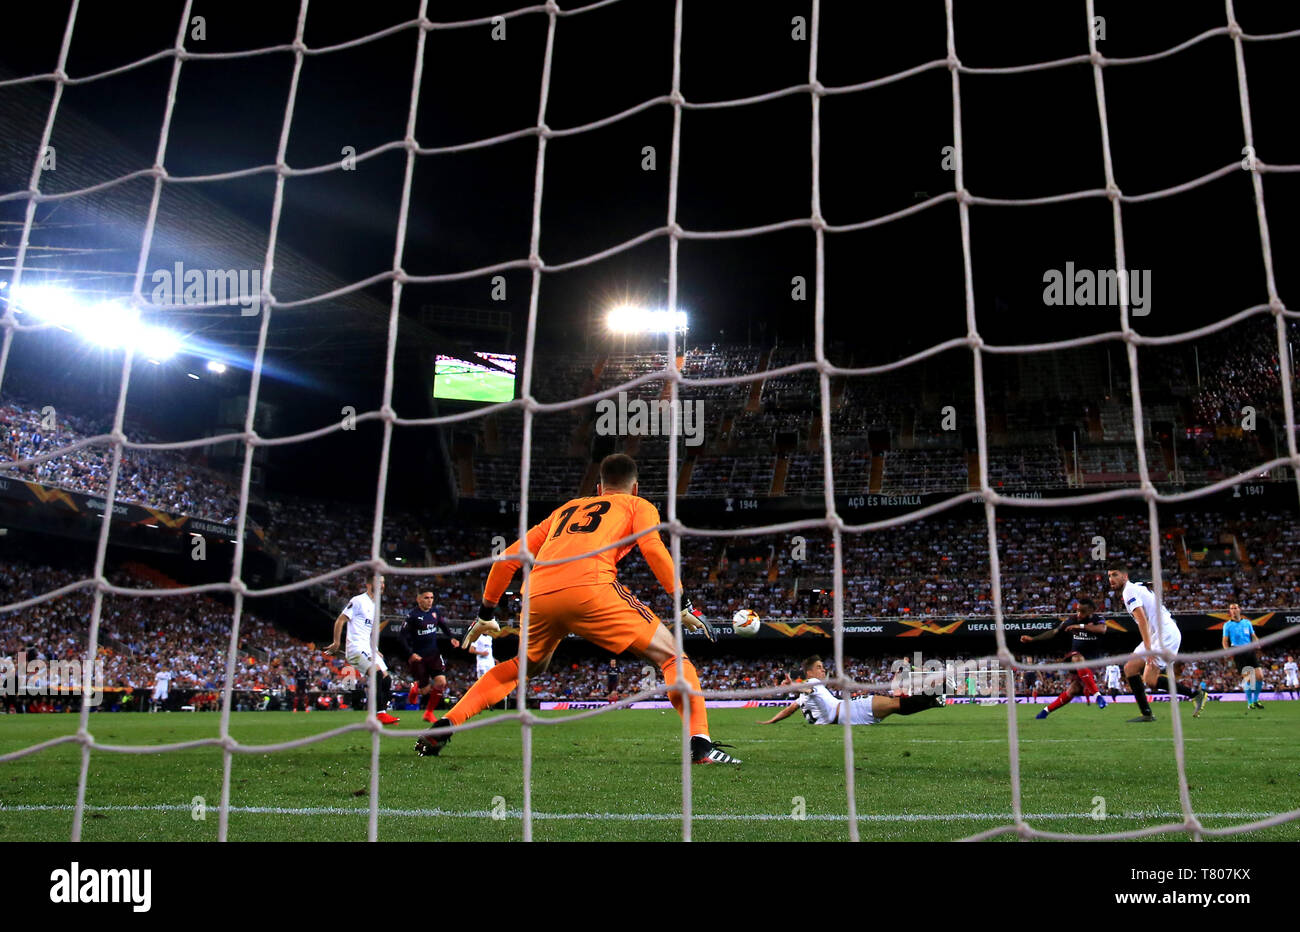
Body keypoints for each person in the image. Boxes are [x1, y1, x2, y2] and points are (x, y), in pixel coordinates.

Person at [417, 453, 738, 764]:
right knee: (672, 657)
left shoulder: (566, 509)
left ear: (598, 489)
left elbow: (507, 559)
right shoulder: (637, 504)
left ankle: (446, 724)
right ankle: (701, 745)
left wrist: (486, 613)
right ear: (635, 487)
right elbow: (652, 547)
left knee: (524, 665)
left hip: (538, 592)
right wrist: (682, 603)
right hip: (591, 586)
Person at [1107, 567, 1206, 722]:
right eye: (1109, 576)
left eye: (1115, 575)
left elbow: (1142, 621)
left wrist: (1148, 648)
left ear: (1125, 576)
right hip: (1157, 634)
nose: (1111, 579)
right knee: (1130, 668)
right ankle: (1146, 713)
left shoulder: (1128, 592)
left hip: (1165, 634)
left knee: (1150, 680)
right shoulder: (1135, 587)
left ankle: (1195, 694)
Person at [756, 656, 944, 726]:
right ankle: (938, 691)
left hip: (846, 714)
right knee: (896, 705)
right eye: (820, 667)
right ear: (810, 671)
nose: (823, 670)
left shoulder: (806, 696)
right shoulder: (813, 682)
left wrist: (771, 720)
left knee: (896, 705)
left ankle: (934, 698)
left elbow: (790, 709)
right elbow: (806, 687)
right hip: (849, 711)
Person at [324, 576, 400, 725]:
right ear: (369, 584)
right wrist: (336, 642)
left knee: (387, 679)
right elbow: (340, 620)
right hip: (356, 648)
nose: (382, 585)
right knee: (377, 673)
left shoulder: (375, 605)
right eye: (379, 582)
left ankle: (383, 712)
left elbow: (370, 632)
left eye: (384, 582)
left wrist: (375, 649)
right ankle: (379, 714)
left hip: (368, 648)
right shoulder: (358, 600)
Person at [1020, 596, 1108, 718]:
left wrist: (1080, 626)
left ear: (1091, 611)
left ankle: (1045, 711)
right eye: (1077, 610)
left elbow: (1102, 629)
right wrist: (1033, 639)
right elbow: (1054, 632)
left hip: (1092, 660)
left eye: (1082, 611)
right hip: (1076, 657)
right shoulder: (1072, 620)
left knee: (1073, 690)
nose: (1078, 614)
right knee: (1077, 658)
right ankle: (1098, 697)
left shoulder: (1098, 619)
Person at [401, 589, 458, 723]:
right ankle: (415, 688)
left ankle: (429, 713)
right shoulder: (412, 616)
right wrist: (411, 653)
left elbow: (443, 625)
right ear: (418, 599)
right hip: (419, 657)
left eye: (432, 597)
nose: (430, 600)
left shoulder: (435, 612)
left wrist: (451, 638)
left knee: (441, 682)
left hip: (434, 654)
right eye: (426, 598)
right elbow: (401, 637)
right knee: (425, 690)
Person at [1221, 603, 1262, 711]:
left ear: (1239, 610)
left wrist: (1257, 642)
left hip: (1249, 650)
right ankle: (1250, 703)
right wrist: (1227, 651)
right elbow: (1225, 641)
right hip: (1238, 651)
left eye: (1235, 608)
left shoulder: (1247, 622)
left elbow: (1252, 635)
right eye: (1231, 609)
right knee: (1249, 679)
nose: (1233, 610)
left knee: (1260, 676)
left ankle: (1256, 700)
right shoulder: (1227, 625)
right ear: (1229, 611)